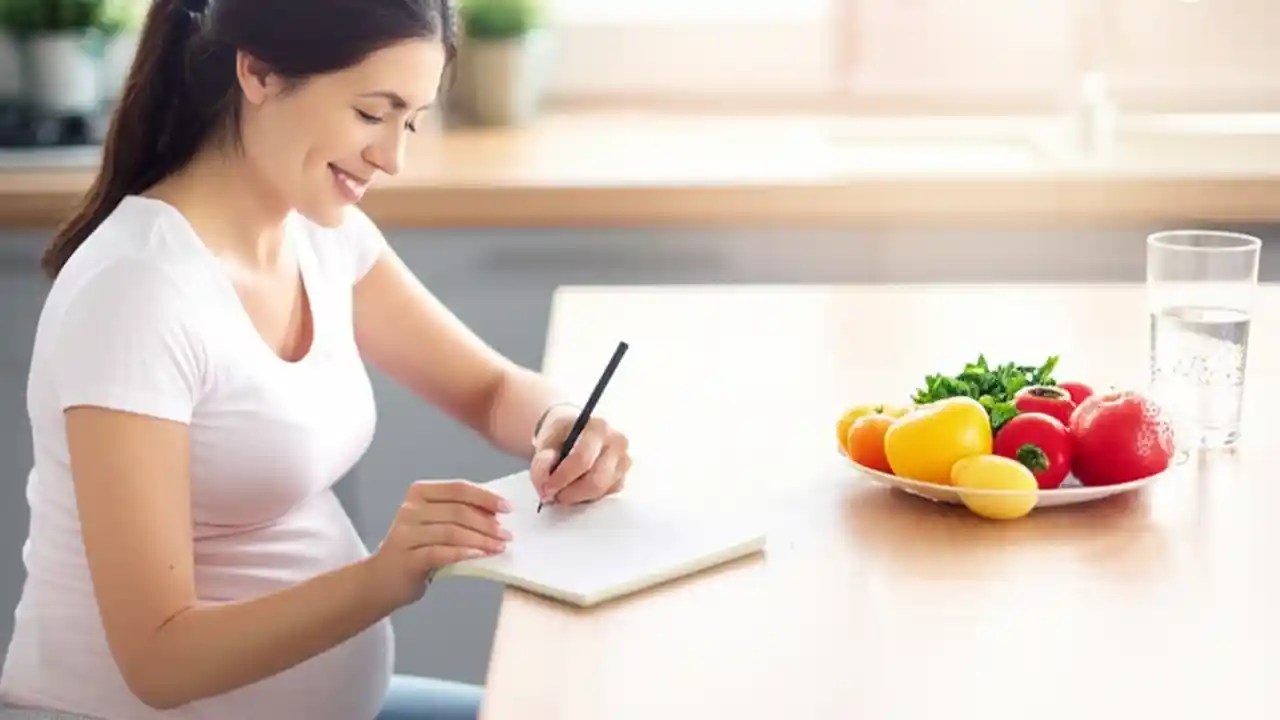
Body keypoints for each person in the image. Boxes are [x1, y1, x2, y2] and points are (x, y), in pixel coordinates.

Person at [0, 0, 632, 718]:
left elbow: (487, 390)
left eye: (412, 121)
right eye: (372, 113)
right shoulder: (138, 294)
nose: (392, 158)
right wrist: (387, 576)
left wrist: (561, 425)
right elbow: (158, 657)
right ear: (259, 72)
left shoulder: (320, 234)